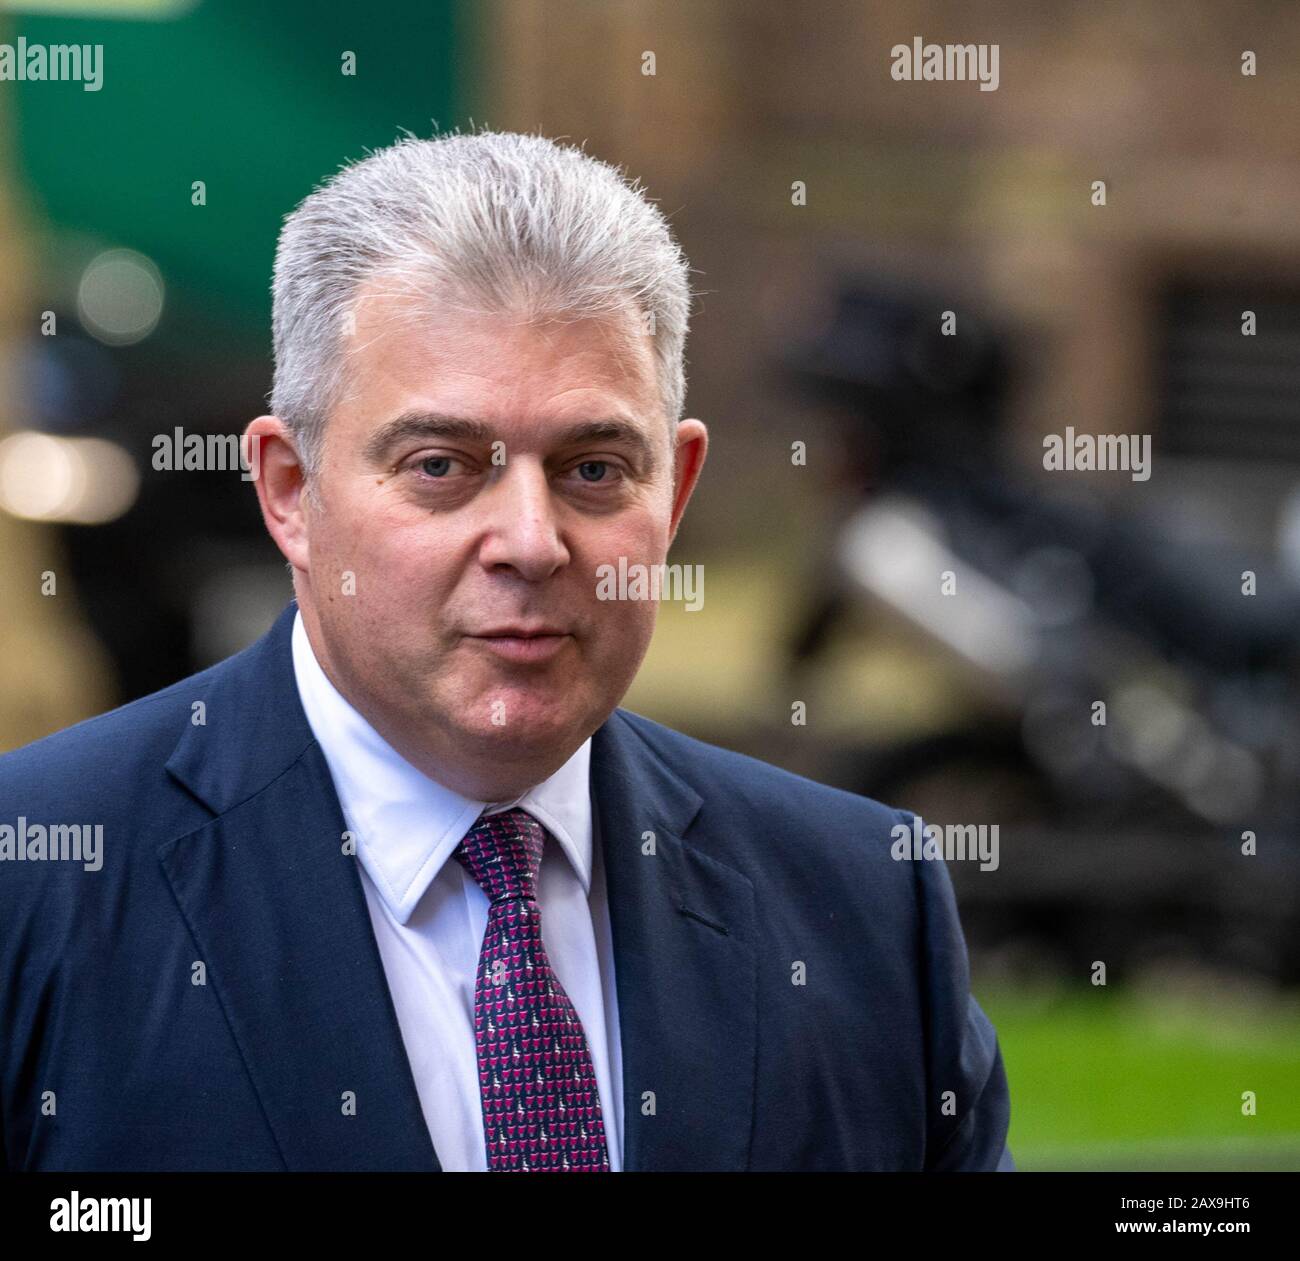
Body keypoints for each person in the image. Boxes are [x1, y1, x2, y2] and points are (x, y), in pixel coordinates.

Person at [0, 129, 1012, 1171]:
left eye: (593, 469)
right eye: (440, 465)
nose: (531, 541)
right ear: (290, 490)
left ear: (675, 492)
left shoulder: (863, 906)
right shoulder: (35, 881)